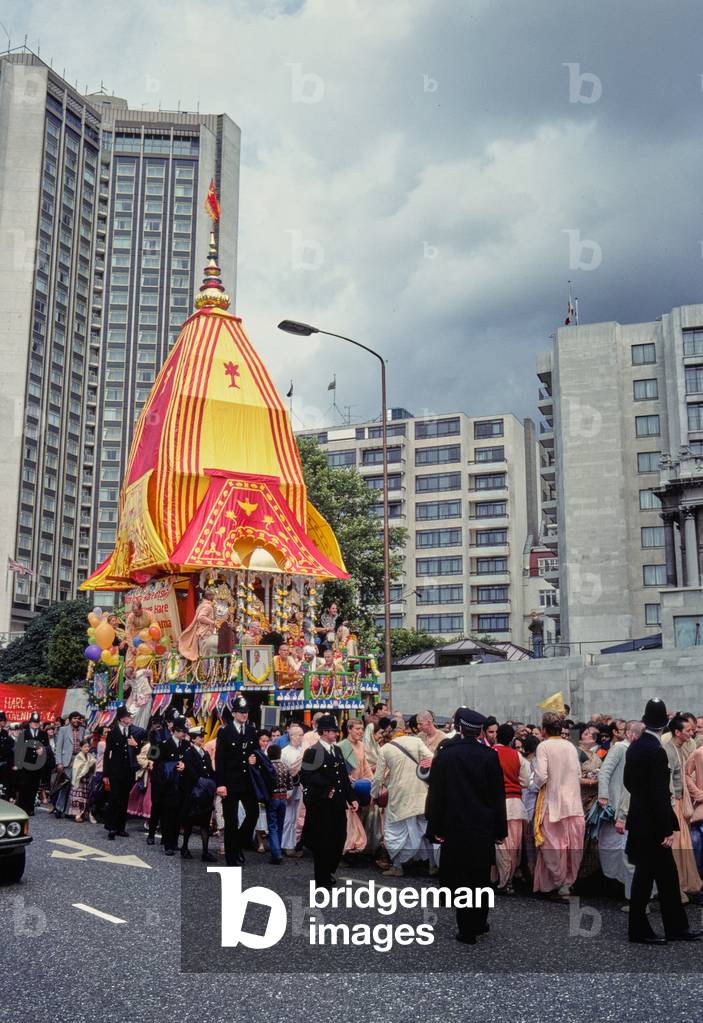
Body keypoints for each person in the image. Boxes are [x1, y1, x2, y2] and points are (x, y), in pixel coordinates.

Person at [426, 707, 507, 945]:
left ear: (459, 728)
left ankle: (467, 928)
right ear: (480, 731)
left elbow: (436, 795)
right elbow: (497, 796)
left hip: (455, 825)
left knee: (461, 877)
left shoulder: (446, 755)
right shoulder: (489, 756)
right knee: (480, 875)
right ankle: (479, 921)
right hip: (482, 825)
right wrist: (500, 830)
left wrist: (434, 827)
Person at [624, 697, 701, 944]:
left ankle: (675, 927)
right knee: (647, 878)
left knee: (665, 877)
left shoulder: (634, 747)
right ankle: (641, 930)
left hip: (641, 820)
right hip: (654, 825)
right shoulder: (656, 751)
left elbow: (629, 783)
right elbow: (659, 794)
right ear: (664, 723)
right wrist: (666, 828)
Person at [301, 713, 358, 889]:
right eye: (333, 731)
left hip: (338, 803)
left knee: (339, 838)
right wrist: (326, 788)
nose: (336, 734)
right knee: (323, 841)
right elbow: (306, 776)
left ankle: (329, 870)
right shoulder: (313, 751)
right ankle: (322, 878)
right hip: (322, 804)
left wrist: (352, 798)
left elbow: (343, 777)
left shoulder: (337, 750)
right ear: (325, 732)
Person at [370, 720, 433, 877]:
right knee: (425, 829)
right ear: (404, 730)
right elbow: (431, 759)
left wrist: (374, 795)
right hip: (421, 793)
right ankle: (433, 865)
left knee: (394, 831)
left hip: (399, 796)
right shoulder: (417, 741)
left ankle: (397, 866)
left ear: (390, 734)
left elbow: (378, 778)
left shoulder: (385, 749)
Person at [532, 712, 585, 897]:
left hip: (552, 805)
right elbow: (578, 774)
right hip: (573, 805)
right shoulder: (570, 746)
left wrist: (535, 786)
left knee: (552, 848)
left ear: (544, 730)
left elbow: (541, 776)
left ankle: (557, 882)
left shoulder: (543, 746)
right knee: (572, 847)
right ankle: (566, 883)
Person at [597, 719, 644, 896]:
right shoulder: (619, 748)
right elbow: (605, 771)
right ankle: (620, 886)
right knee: (613, 848)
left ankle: (628, 889)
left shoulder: (636, 749)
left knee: (623, 849)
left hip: (629, 806)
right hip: (616, 805)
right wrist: (604, 796)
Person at [215, 696, 259, 866]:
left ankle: (238, 843)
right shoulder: (225, 732)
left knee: (253, 814)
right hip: (230, 782)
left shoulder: (251, 730)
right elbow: (220, 759)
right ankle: (231, 858)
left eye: (246, 712)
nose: (244, 715)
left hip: (247, 782)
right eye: (241, 712)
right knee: (231, 821)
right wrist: (220, 784)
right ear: (233, 713)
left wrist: (254, 758)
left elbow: (255, 752)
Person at [665, 714, 702, 899]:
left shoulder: (678, 749)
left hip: (679, 804)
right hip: (674, 805)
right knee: (677, 849)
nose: (692, 733)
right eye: (688, 730)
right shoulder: (669, 751)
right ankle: (677, 889)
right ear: (677, 732)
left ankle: (681, 888)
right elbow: (669, 782)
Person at [493, 723, 530, 893]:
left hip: (496, 804)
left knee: (500, 846)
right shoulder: (517, 756)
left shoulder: (490, 752)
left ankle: (501, 880)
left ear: (496, 736)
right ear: (511, 739)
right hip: (516, 804)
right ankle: (509, 881)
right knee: (514, 846)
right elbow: (526, 781)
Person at [338, 717, 376, 854]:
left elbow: (366, 767)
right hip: (347, 789)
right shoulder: (341, 746)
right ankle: (347, 849)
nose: (361, 732)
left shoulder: (361, 745)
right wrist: (347, 779)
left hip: (360, 787)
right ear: (349, 729)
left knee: (359, 816)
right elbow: (339, 769)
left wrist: (372, 782)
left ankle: (354, 848)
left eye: (362, 729)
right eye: (357, 729)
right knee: (349, 819)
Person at [180, 726, 217, 862]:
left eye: (202, 736)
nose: (202, 738)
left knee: (205, 823)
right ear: (193, 739)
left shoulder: (205, 753)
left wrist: (213, 782)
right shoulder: (188, 753)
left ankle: (205, 852)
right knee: (190, 822)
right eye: (199, 737)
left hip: (205, 793)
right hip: (194, 792)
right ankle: (184, 847)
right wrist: (200, 781)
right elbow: (188, 772)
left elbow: (210, 771)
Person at [103, 706, 139, 839]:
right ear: (122, 718)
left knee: (124, 799)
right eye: (128, 716)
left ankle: (121, 827)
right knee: (114, 798)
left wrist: (136, 745)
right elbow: (107, 754)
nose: (130, 718)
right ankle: (111, 827)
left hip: (128, 771)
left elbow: (137, 751)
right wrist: (105, 774)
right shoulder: (113, 732)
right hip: (115, 771)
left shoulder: (132, 732)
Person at [16, 711, 49, 815]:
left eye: (37, 722)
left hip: (37, 765)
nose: (35, 724)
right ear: (30, 723)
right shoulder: (24, 733)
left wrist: (43, 750)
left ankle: (30, 808)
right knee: (24, 786)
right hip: (25, 764)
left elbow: (47, 747)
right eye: (34, 722)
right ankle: (22, 808)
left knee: (34, 787)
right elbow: (18, 748)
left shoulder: (43, 734)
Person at [53, 712, 86, 818]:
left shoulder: (82, 730)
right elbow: (58, 747)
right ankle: (59, 808)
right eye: (74, 718)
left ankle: (69, 811)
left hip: (78, 760)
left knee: (75, 787)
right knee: (65, 785)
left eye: (78, 719)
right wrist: (59, 762)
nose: (77, 720)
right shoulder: (63, 730)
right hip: (67, 760)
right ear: (70, 719)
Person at [266, 744, 293, 864]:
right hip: (283, 798)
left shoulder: (269, 767)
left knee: (272, 825)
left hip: (273, 797)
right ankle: (279, 850)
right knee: (280, 825)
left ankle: (276, 854)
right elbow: (290, 785)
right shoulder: (285, 766)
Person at [281, 722, 305, 856]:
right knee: (288, 818)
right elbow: (282, 773)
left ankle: (296, 844)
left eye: (302, 735)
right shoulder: (284, 752)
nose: (301, 737)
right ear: (292, 736)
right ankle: (286, 845)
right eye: (299, 735)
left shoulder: (303, 750)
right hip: (289, 789)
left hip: (301, 788)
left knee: (298, 818)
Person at [178, 594, 216, 663]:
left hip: (202, 632)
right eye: (213, 596)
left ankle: (203, 668)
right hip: (204, 632)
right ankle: (205, 669)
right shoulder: (208, 606)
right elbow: (200, 617)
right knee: (205, 655)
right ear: (210, 597)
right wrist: (213, 622)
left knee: (203, 655)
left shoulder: (201, 605)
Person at [68, 737, 95, 822]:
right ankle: (77, 815)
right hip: (79, 780)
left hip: (86, 780)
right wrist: (86, 766)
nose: (87, 748)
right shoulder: (78, 757)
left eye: (88, 746)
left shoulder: (90, 756)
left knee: (84, 797)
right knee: (77, 797)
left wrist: (90, 765)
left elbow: (93, 764)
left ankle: (82, 813)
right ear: (81, 747)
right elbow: (76, 769)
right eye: (85, 747)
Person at [125, 599, 154, 667]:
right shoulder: (131, 616)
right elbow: (127, 631)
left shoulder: (149, 614)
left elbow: (154, 627)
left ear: (141, 609)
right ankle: (130, 670)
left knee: (147, 656)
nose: (135, 614)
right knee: (130, 657)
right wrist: (131, 646)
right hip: (135, 638)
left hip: (147, 637)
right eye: (134, 612)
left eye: (136, 612)